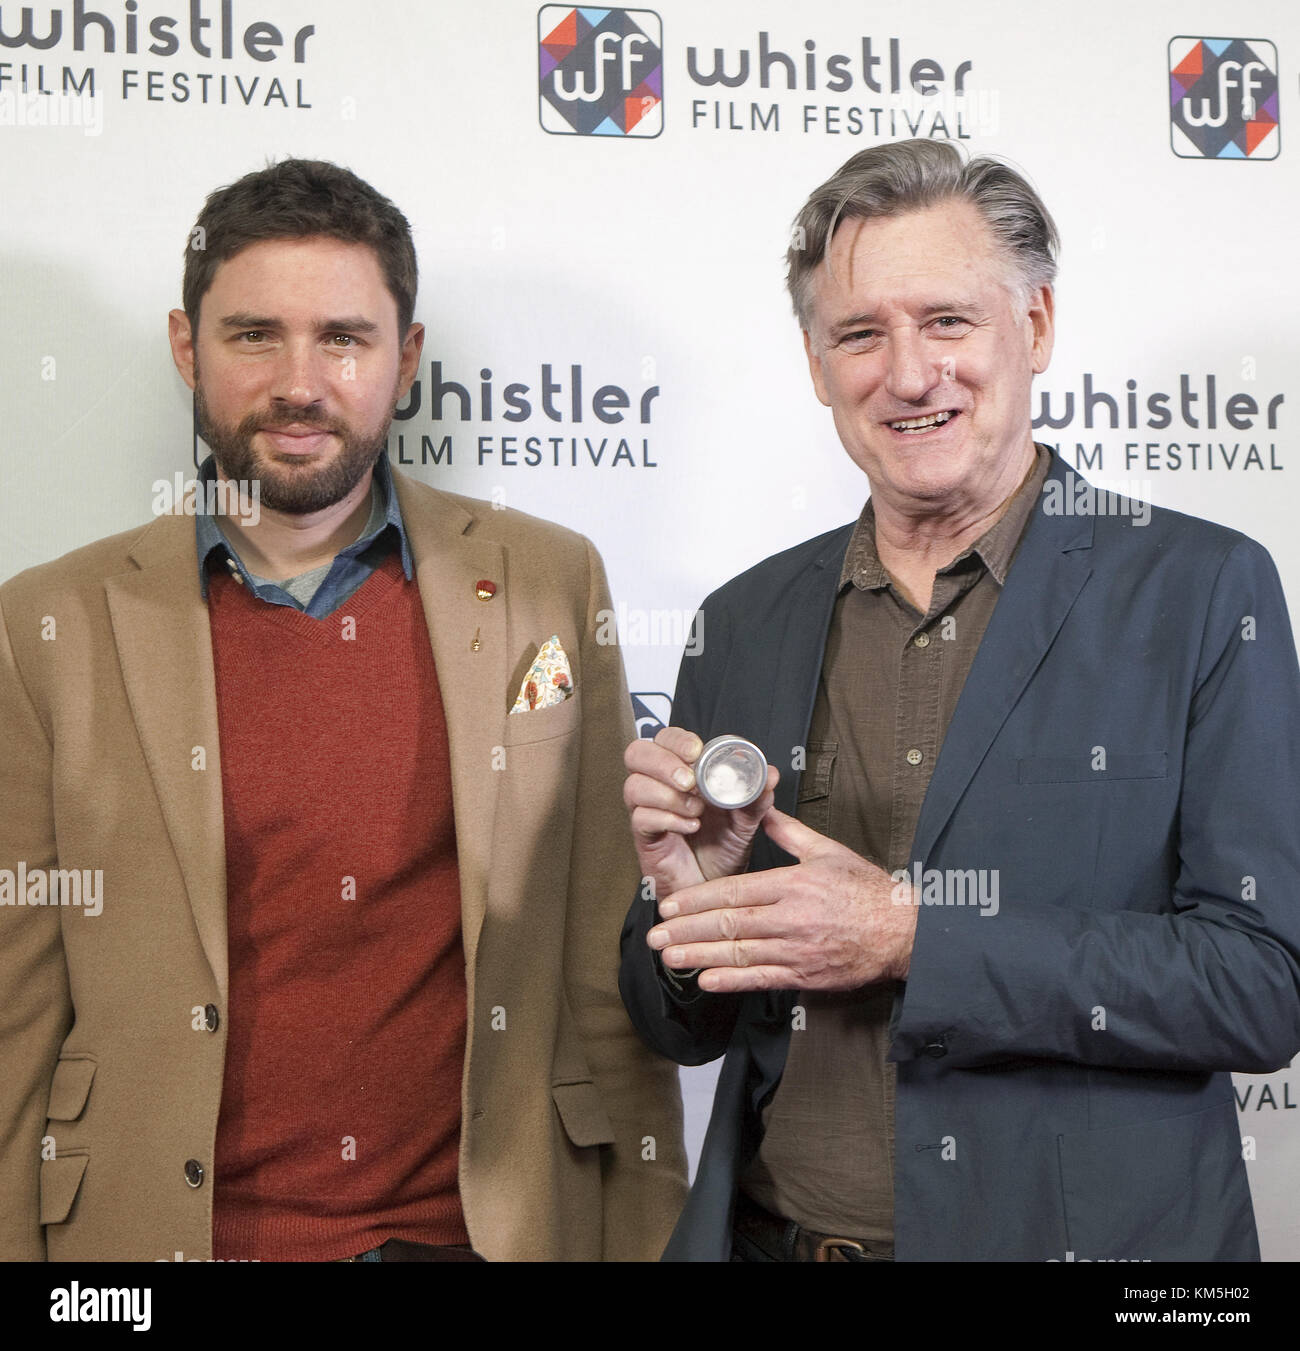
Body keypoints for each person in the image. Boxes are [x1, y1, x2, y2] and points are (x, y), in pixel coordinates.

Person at [619, 139, 1300, 1262]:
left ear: (1032, 327)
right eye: (859, 333)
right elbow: (672, 1027)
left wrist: (910, 936)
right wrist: (690, 914)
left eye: (946, 320)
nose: (908, 372)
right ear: (814, 361)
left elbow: (1261, 985)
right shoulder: (742, 618)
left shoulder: (1199, 589)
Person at [0, 158, 685, 1262]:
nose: (299, 382)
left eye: (344, 338)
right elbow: (14, 1013)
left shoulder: (547, 581)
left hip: (474, 1238)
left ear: (405, 359)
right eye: (254, 335)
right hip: (160, 1243)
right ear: (187, 349)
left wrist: (649, 1231)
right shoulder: (49, 624)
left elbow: (598, 957)